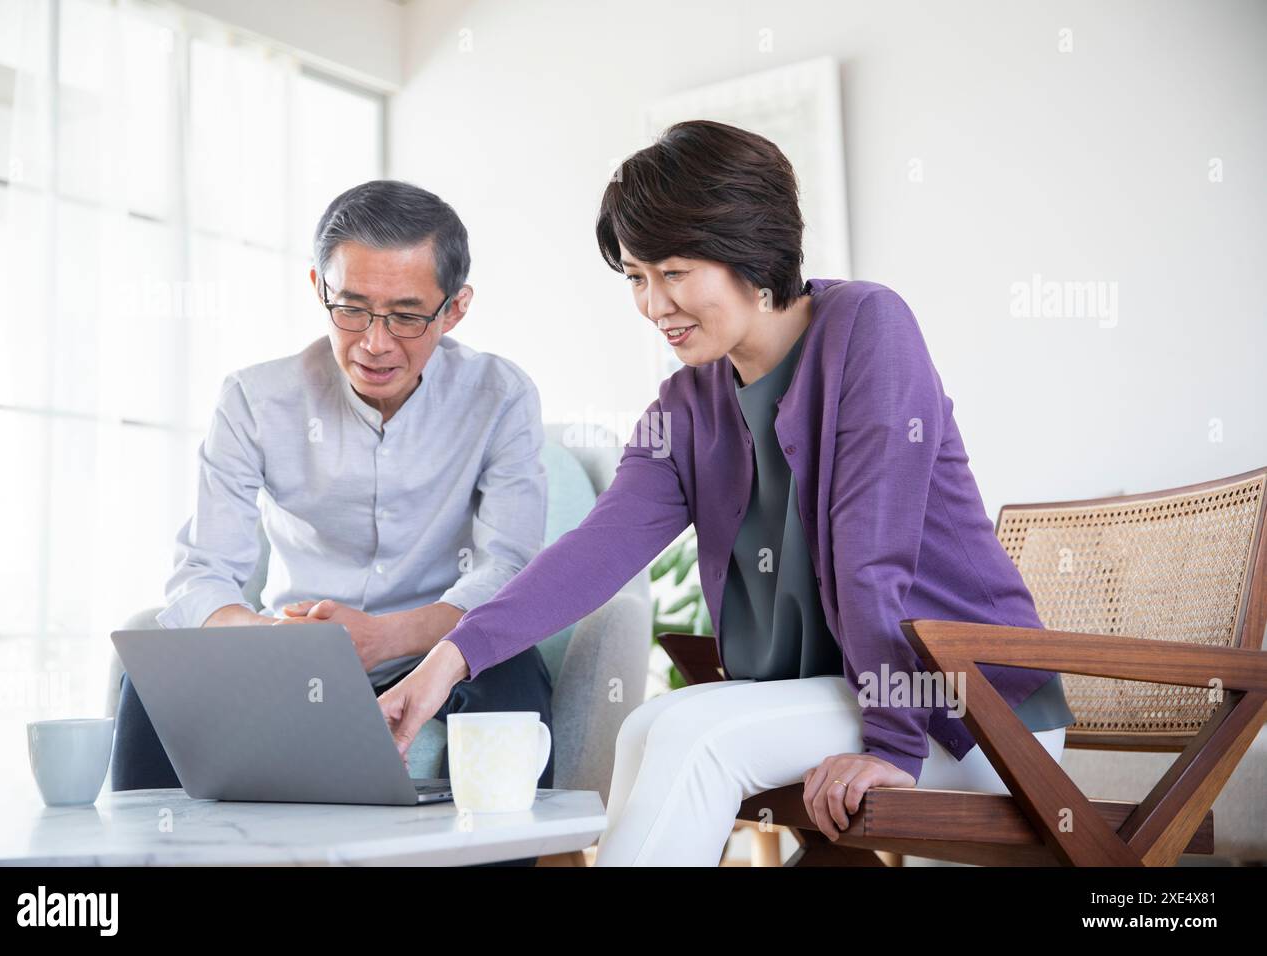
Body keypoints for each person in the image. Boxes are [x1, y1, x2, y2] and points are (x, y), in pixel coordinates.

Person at [375, 121, 1076, 866]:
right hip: (840, 700)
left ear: (751, 249)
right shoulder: (686, 405)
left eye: (674, 272)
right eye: (637, 278)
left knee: (693, 735)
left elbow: (873, 556)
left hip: (965, 713)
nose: (653, 304)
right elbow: (593, 552)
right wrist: (448, 660)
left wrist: (895, 747)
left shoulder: (869, 328)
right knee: (648, 726)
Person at [111, 182, 557, 836]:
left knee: (513, 676)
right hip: (289, 650)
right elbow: (200, 574)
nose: (375, 344)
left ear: (455, 309)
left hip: (437, 645)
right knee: (155, 675)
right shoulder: (255, 399)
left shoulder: (500, 395)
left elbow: (508, 569)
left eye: (406, 316)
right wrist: (281, 643)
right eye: (351, 308)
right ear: (319, 286)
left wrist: (390, 637)